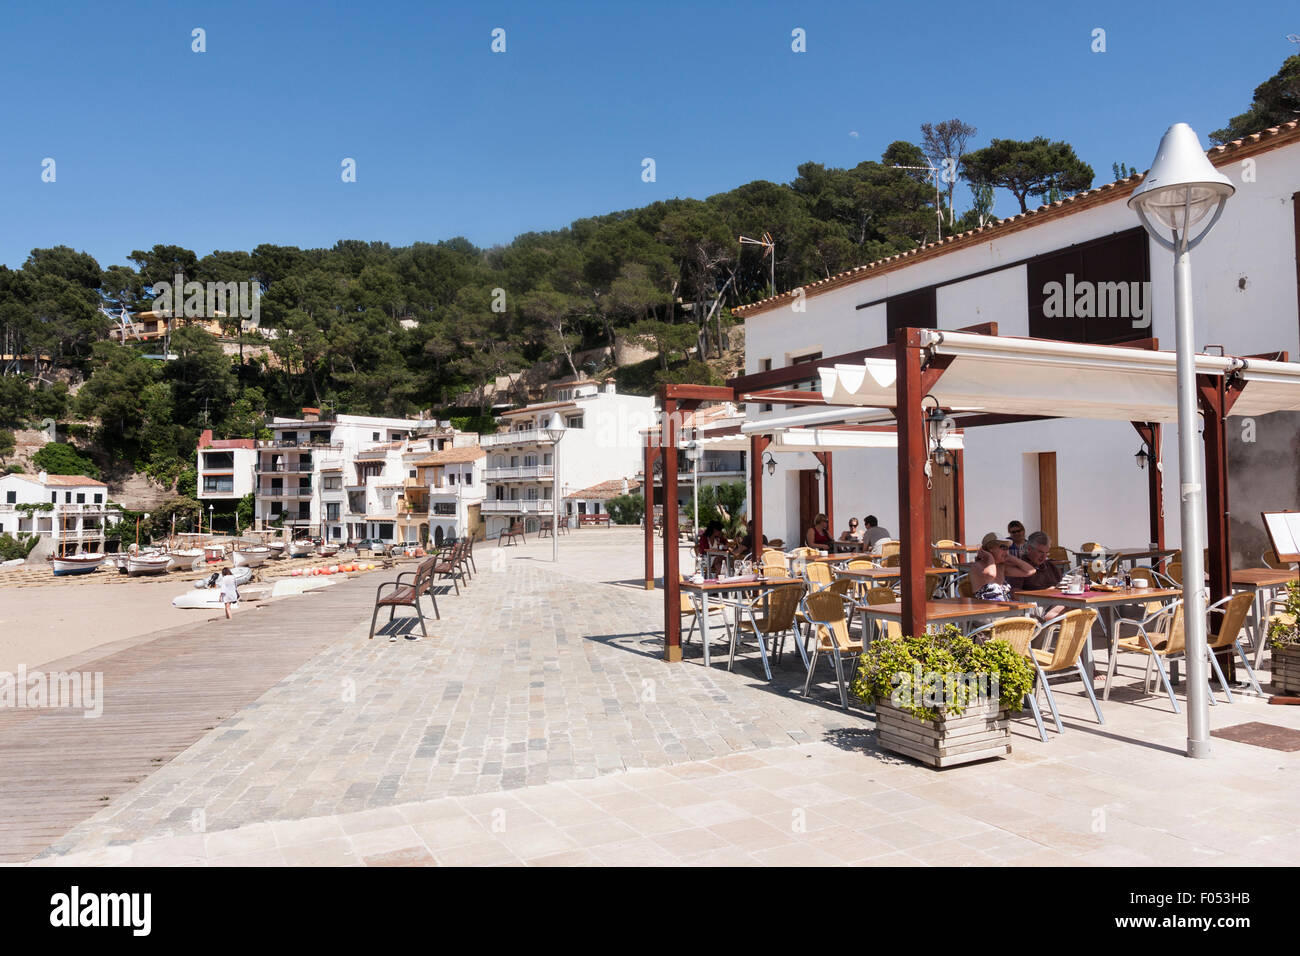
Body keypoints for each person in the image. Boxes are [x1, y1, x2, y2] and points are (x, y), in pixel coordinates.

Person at [970, 532, 1036, 601]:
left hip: (1004, 607)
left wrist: (1010, 557)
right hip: (986, 608)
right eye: (1003, 547)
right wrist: (990, 557)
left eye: (1007, 548)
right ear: (990, 548)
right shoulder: (977, 566)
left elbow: (1030, 571)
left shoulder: (1001, 567)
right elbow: (991, 575)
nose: (1007, 550)